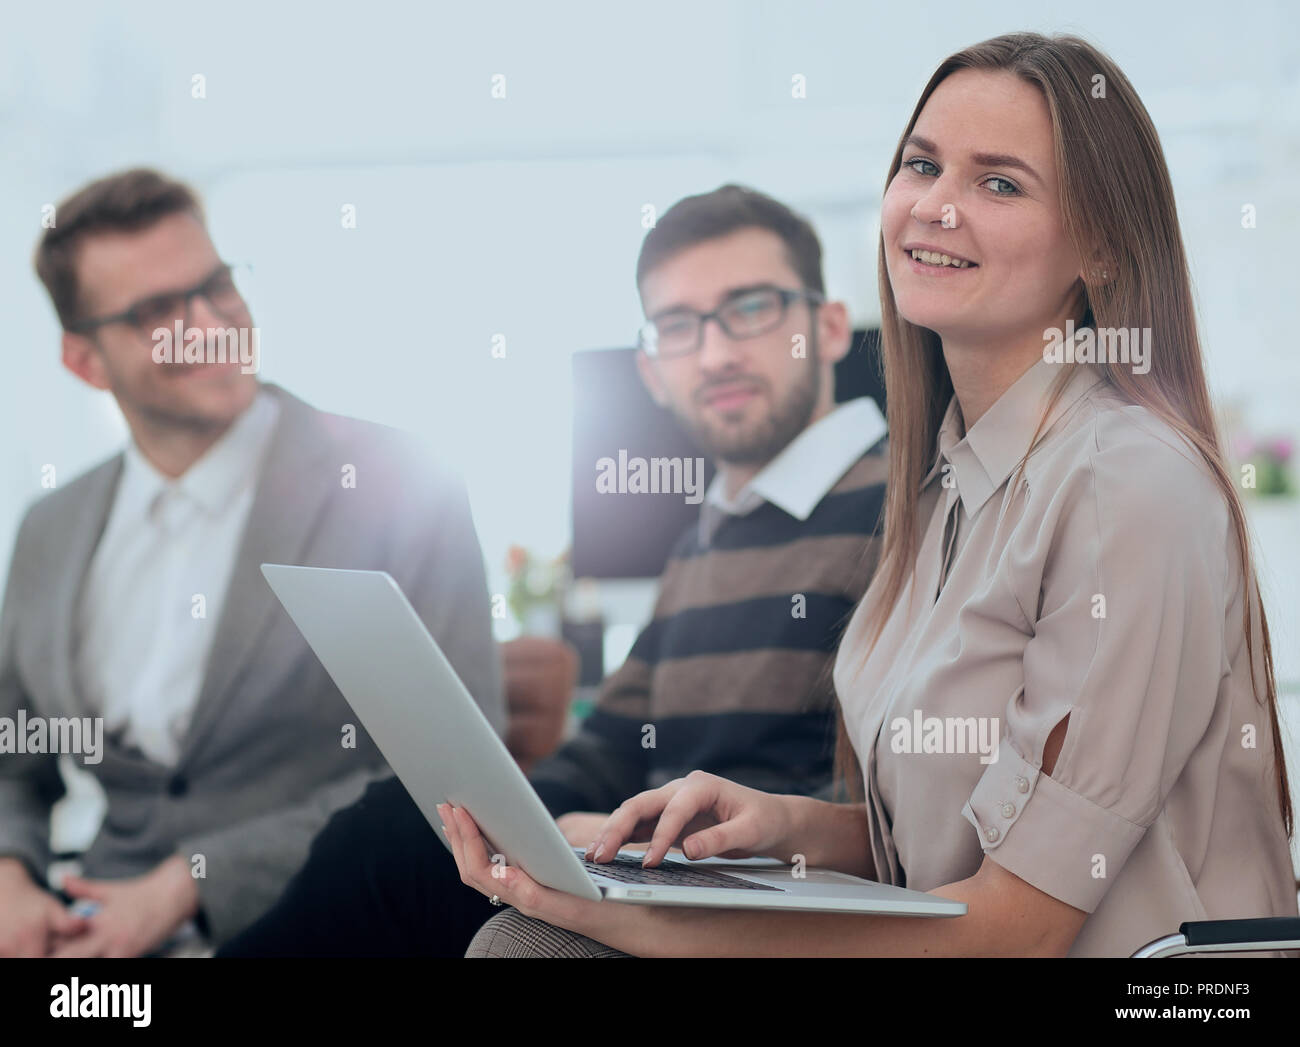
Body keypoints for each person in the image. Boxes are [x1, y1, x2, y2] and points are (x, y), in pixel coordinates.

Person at [450, 31, 1299, 958]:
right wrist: (781, 825)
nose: (935, 207)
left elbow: (1018, 926)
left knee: (531, 947)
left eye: (999, 182)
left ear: (1098, 245)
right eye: (921, 165)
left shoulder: (1125, 485)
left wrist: (648, 921)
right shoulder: (948, 488)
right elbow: (949, 848)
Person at [218, 184, 890, 956]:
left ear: (830, 326)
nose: (714, 352)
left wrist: (664, 843)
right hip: (660, 873)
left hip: (764, 898)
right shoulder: (708, 537)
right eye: (678, 326)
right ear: (650, 370)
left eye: (750, 309)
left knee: (386, 850)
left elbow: (896, 810)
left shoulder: (904, 510)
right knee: (402, 826)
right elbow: (607, 745)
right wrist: (527, 817)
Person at [0, 168, 504, 957]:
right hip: (90, 931)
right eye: (158, 311)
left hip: (323, 920)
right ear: (84, 361)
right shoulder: (49, 530)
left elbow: (452, 781)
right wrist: (9, 876)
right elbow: (15, 751)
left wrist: (190, 883)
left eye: (217, 285)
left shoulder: (399, 483)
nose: (208, 325)